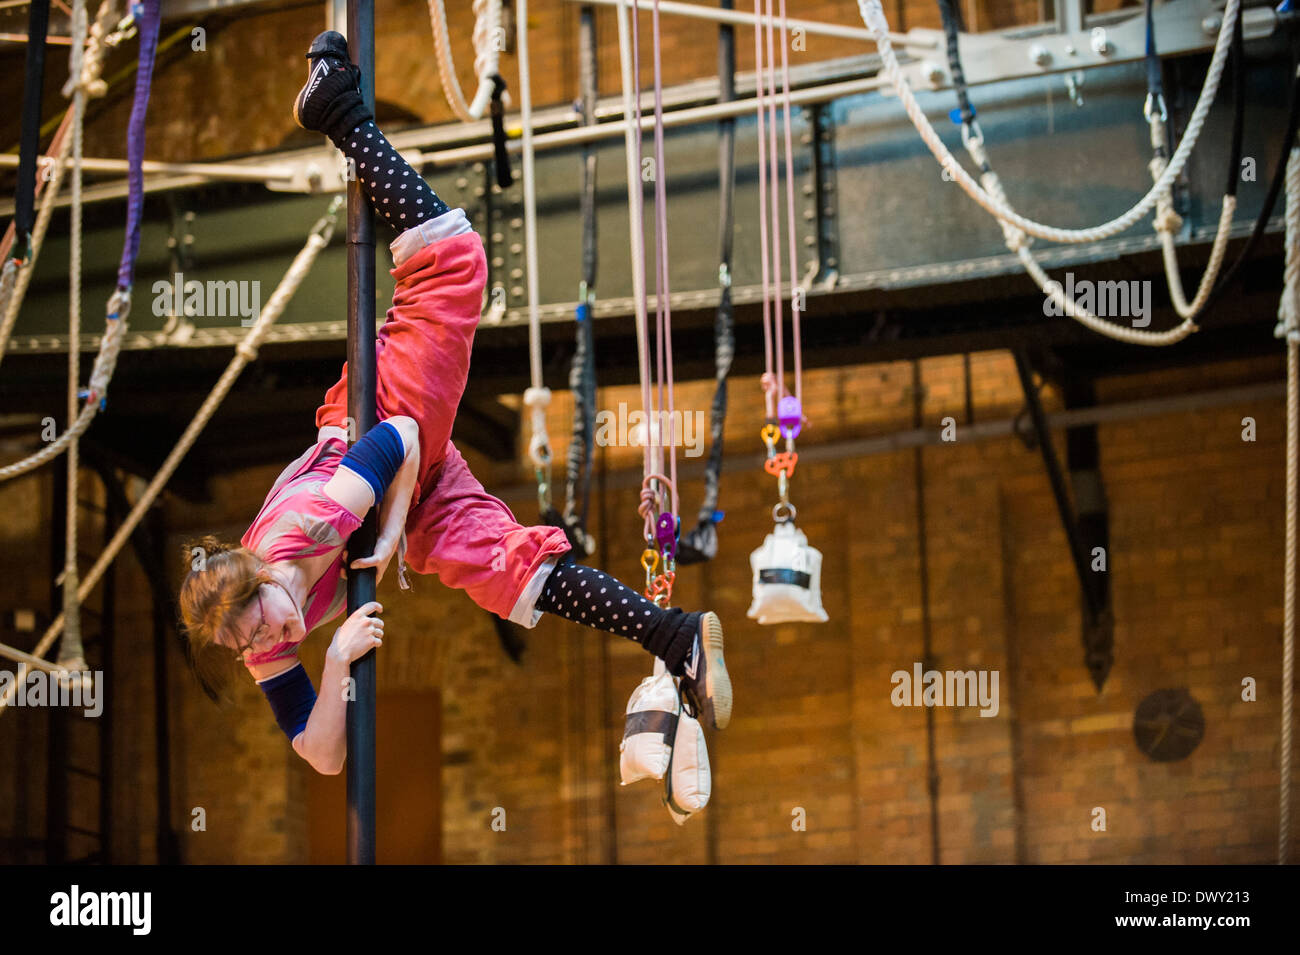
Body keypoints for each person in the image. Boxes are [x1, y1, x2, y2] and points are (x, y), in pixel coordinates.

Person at [177, 31, 731, 776]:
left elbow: (401, 434)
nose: (263, 644)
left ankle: (339, 111)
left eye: (253, 628)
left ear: (256, 577)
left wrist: (394, 528)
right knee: (507, 572)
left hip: (378, 425)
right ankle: (676, 635)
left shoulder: (305, 527)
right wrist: (336, 659)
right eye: (244, 646)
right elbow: (320, 753)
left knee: (457, 263)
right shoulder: (263, 634)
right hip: (405, 477)